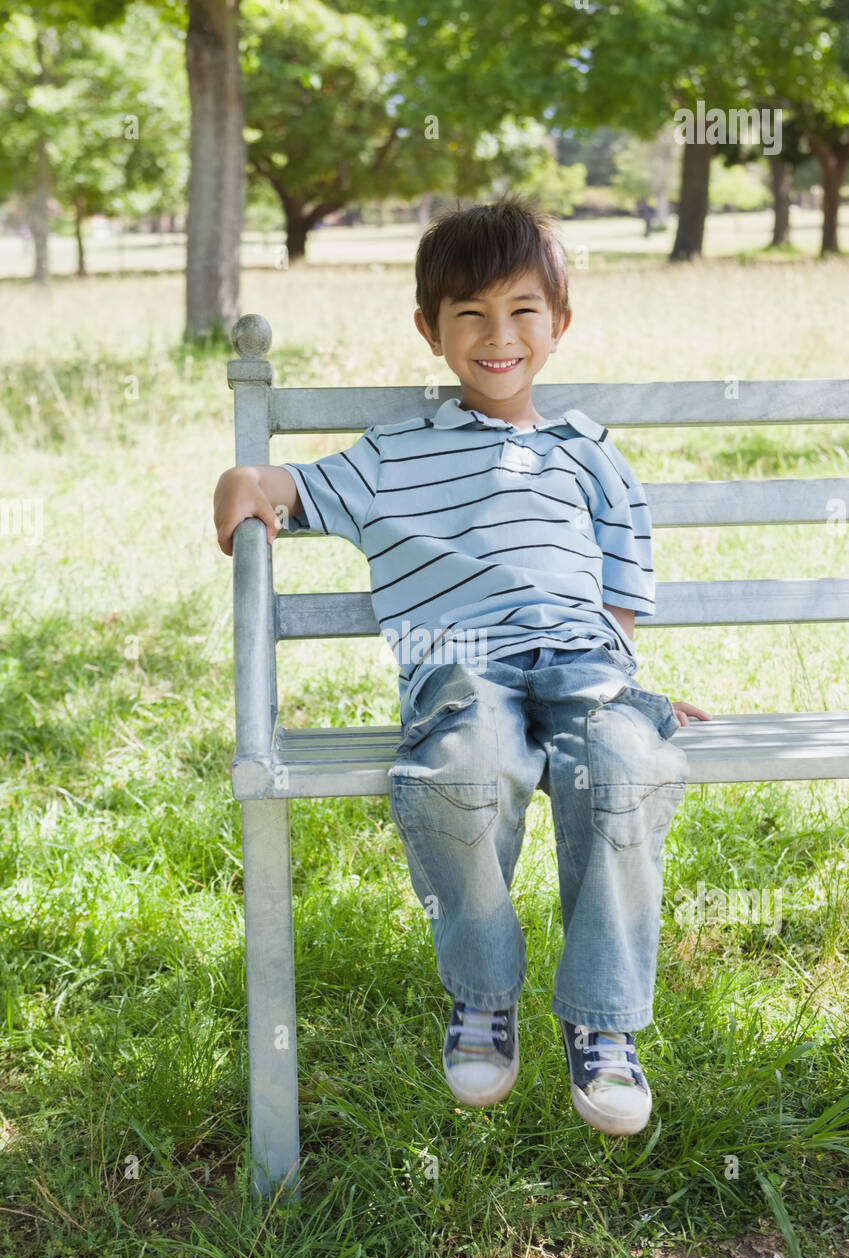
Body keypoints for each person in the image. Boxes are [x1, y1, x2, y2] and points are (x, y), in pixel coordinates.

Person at [213, 194, 713, 1137]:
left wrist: (632, 696)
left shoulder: (589, 453)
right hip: (461, 668)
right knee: (460, 773)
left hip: (582, 662)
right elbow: (284, 489)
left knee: (625, 765)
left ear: (559, 325)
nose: (499, 335)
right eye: (470, 315)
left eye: (523, 310)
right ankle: (485, 993)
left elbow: (619, 598)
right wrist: (244, 486)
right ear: (430, 331)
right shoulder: (392, 455)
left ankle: (602, 1023)